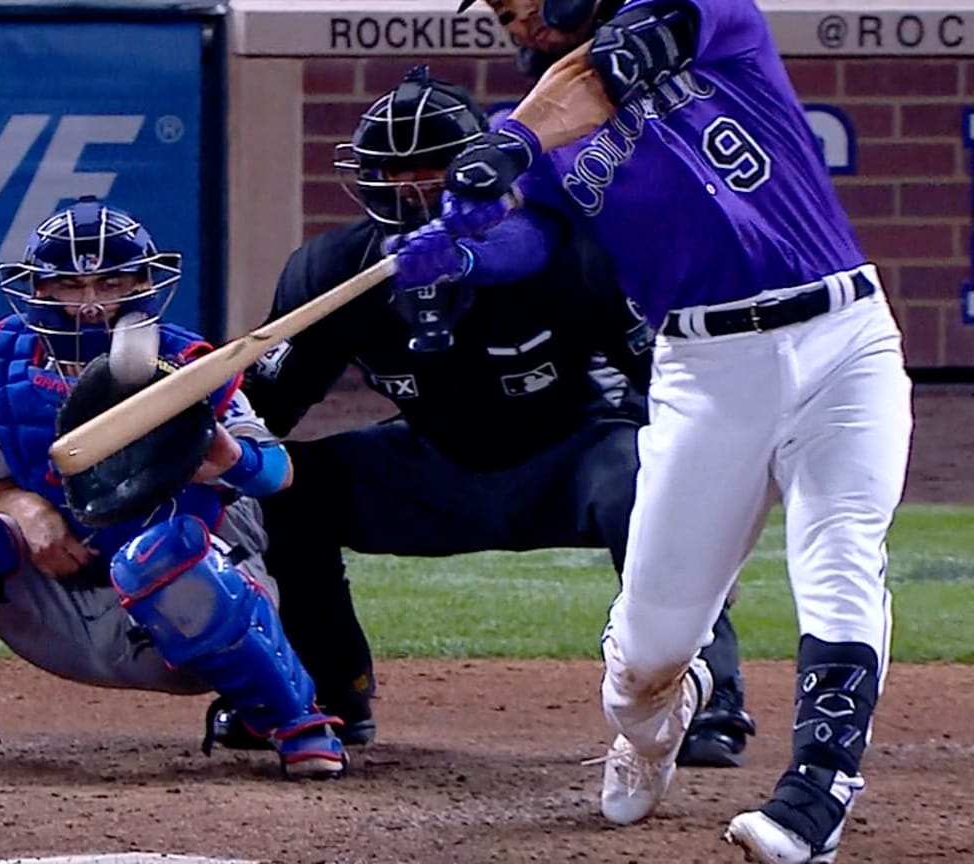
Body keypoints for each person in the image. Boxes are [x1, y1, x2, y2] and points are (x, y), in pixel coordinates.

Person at [395, 1, 914, 860]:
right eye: (499, 12)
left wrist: (512, 142)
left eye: (520, 0)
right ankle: (653, 725)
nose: (516, 21)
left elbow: (623, 57)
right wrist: (469, 255)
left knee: (840, 556)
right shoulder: (538, 124)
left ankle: (817, 794)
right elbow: (542, 231)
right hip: (707, 373)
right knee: (646, 657)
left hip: (843, 338)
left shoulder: (707, 16)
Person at [203, 65, 755, 770]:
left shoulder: (569, 251)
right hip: (436, 470)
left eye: (431, 171)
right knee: (288, 487)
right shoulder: (331, 273)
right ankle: (327, 692)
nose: (410, 191)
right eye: (392, 173)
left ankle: (708, 698)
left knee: (650, 480)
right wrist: (200, 430)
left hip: (577, 460)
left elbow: (668, 379)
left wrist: (705, 503)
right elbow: (264, 411)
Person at [0, 197, 348, 779]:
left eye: (110, 284)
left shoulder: (189, 368)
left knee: (161, 557)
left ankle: (290, 719)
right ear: (40, 290)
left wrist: (229, 457)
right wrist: (24, 508)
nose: (90, 305)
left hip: (185, 600)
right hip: (58, 588)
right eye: (71, 285)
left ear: (142, 286)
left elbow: (277, 472)